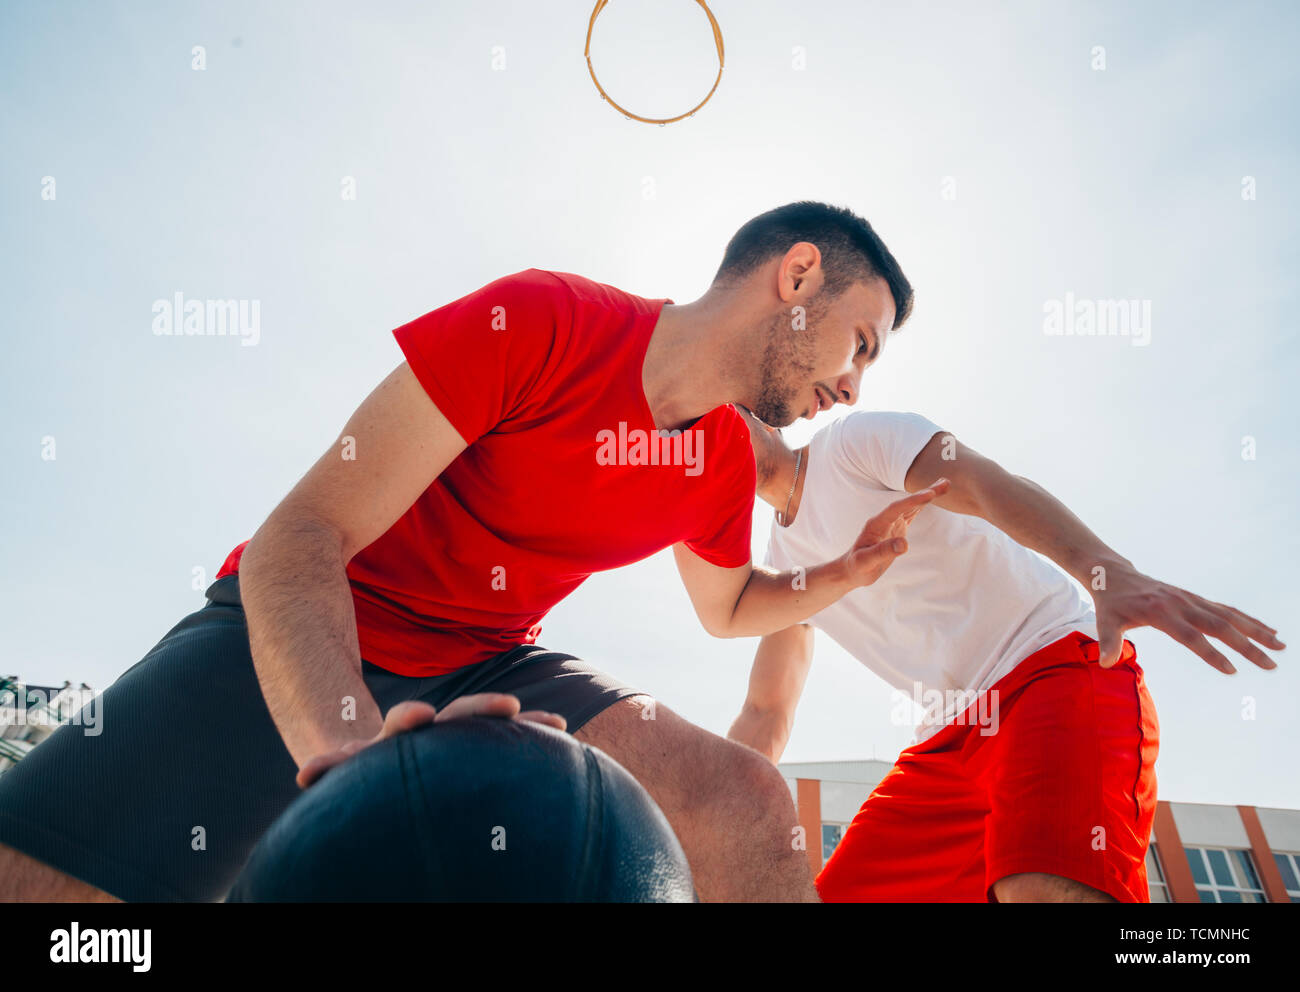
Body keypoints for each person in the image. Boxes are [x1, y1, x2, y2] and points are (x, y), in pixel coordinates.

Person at [0, 201, 938, 903]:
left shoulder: (721, 464)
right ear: (800, 274)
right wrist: (354, 754)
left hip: (488, 661)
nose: (853, 387)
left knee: (749, 806)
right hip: (311, 620)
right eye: (859, 344)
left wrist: (844, 574)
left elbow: (729, 607)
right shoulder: (542, 322)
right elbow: (304, 532)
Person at [728, 406, 1285, 902]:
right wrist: (709, 816)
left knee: (1040, 888)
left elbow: (987, 485)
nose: (702, 452)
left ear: (752, 411)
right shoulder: (780, 571)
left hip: (1052, 669)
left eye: (707, 424)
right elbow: (767, 712)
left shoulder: (854, 442)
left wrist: (1107, 571)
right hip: (948, 745)